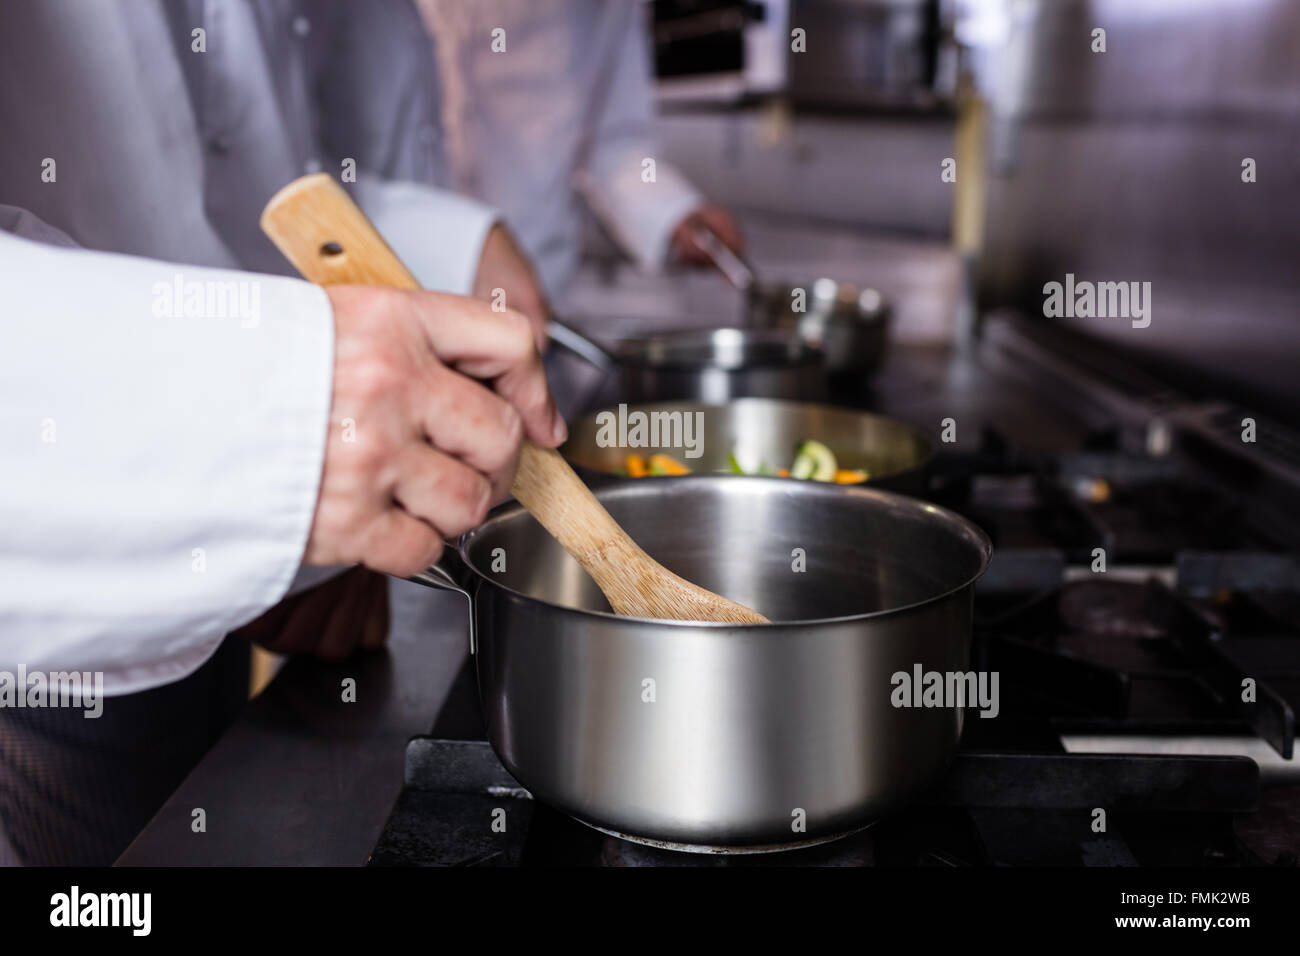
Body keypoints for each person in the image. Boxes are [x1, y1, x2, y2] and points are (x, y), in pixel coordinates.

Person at [0, 0, 563, 864]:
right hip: (40, 623)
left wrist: (448, 247)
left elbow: (238, 182)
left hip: (228, 572)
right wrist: (281, 420)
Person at [416, 0, 747, 306]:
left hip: (536, 281)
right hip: (400, 281)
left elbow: (613, 142)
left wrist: (673, 212)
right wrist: (466, 243)